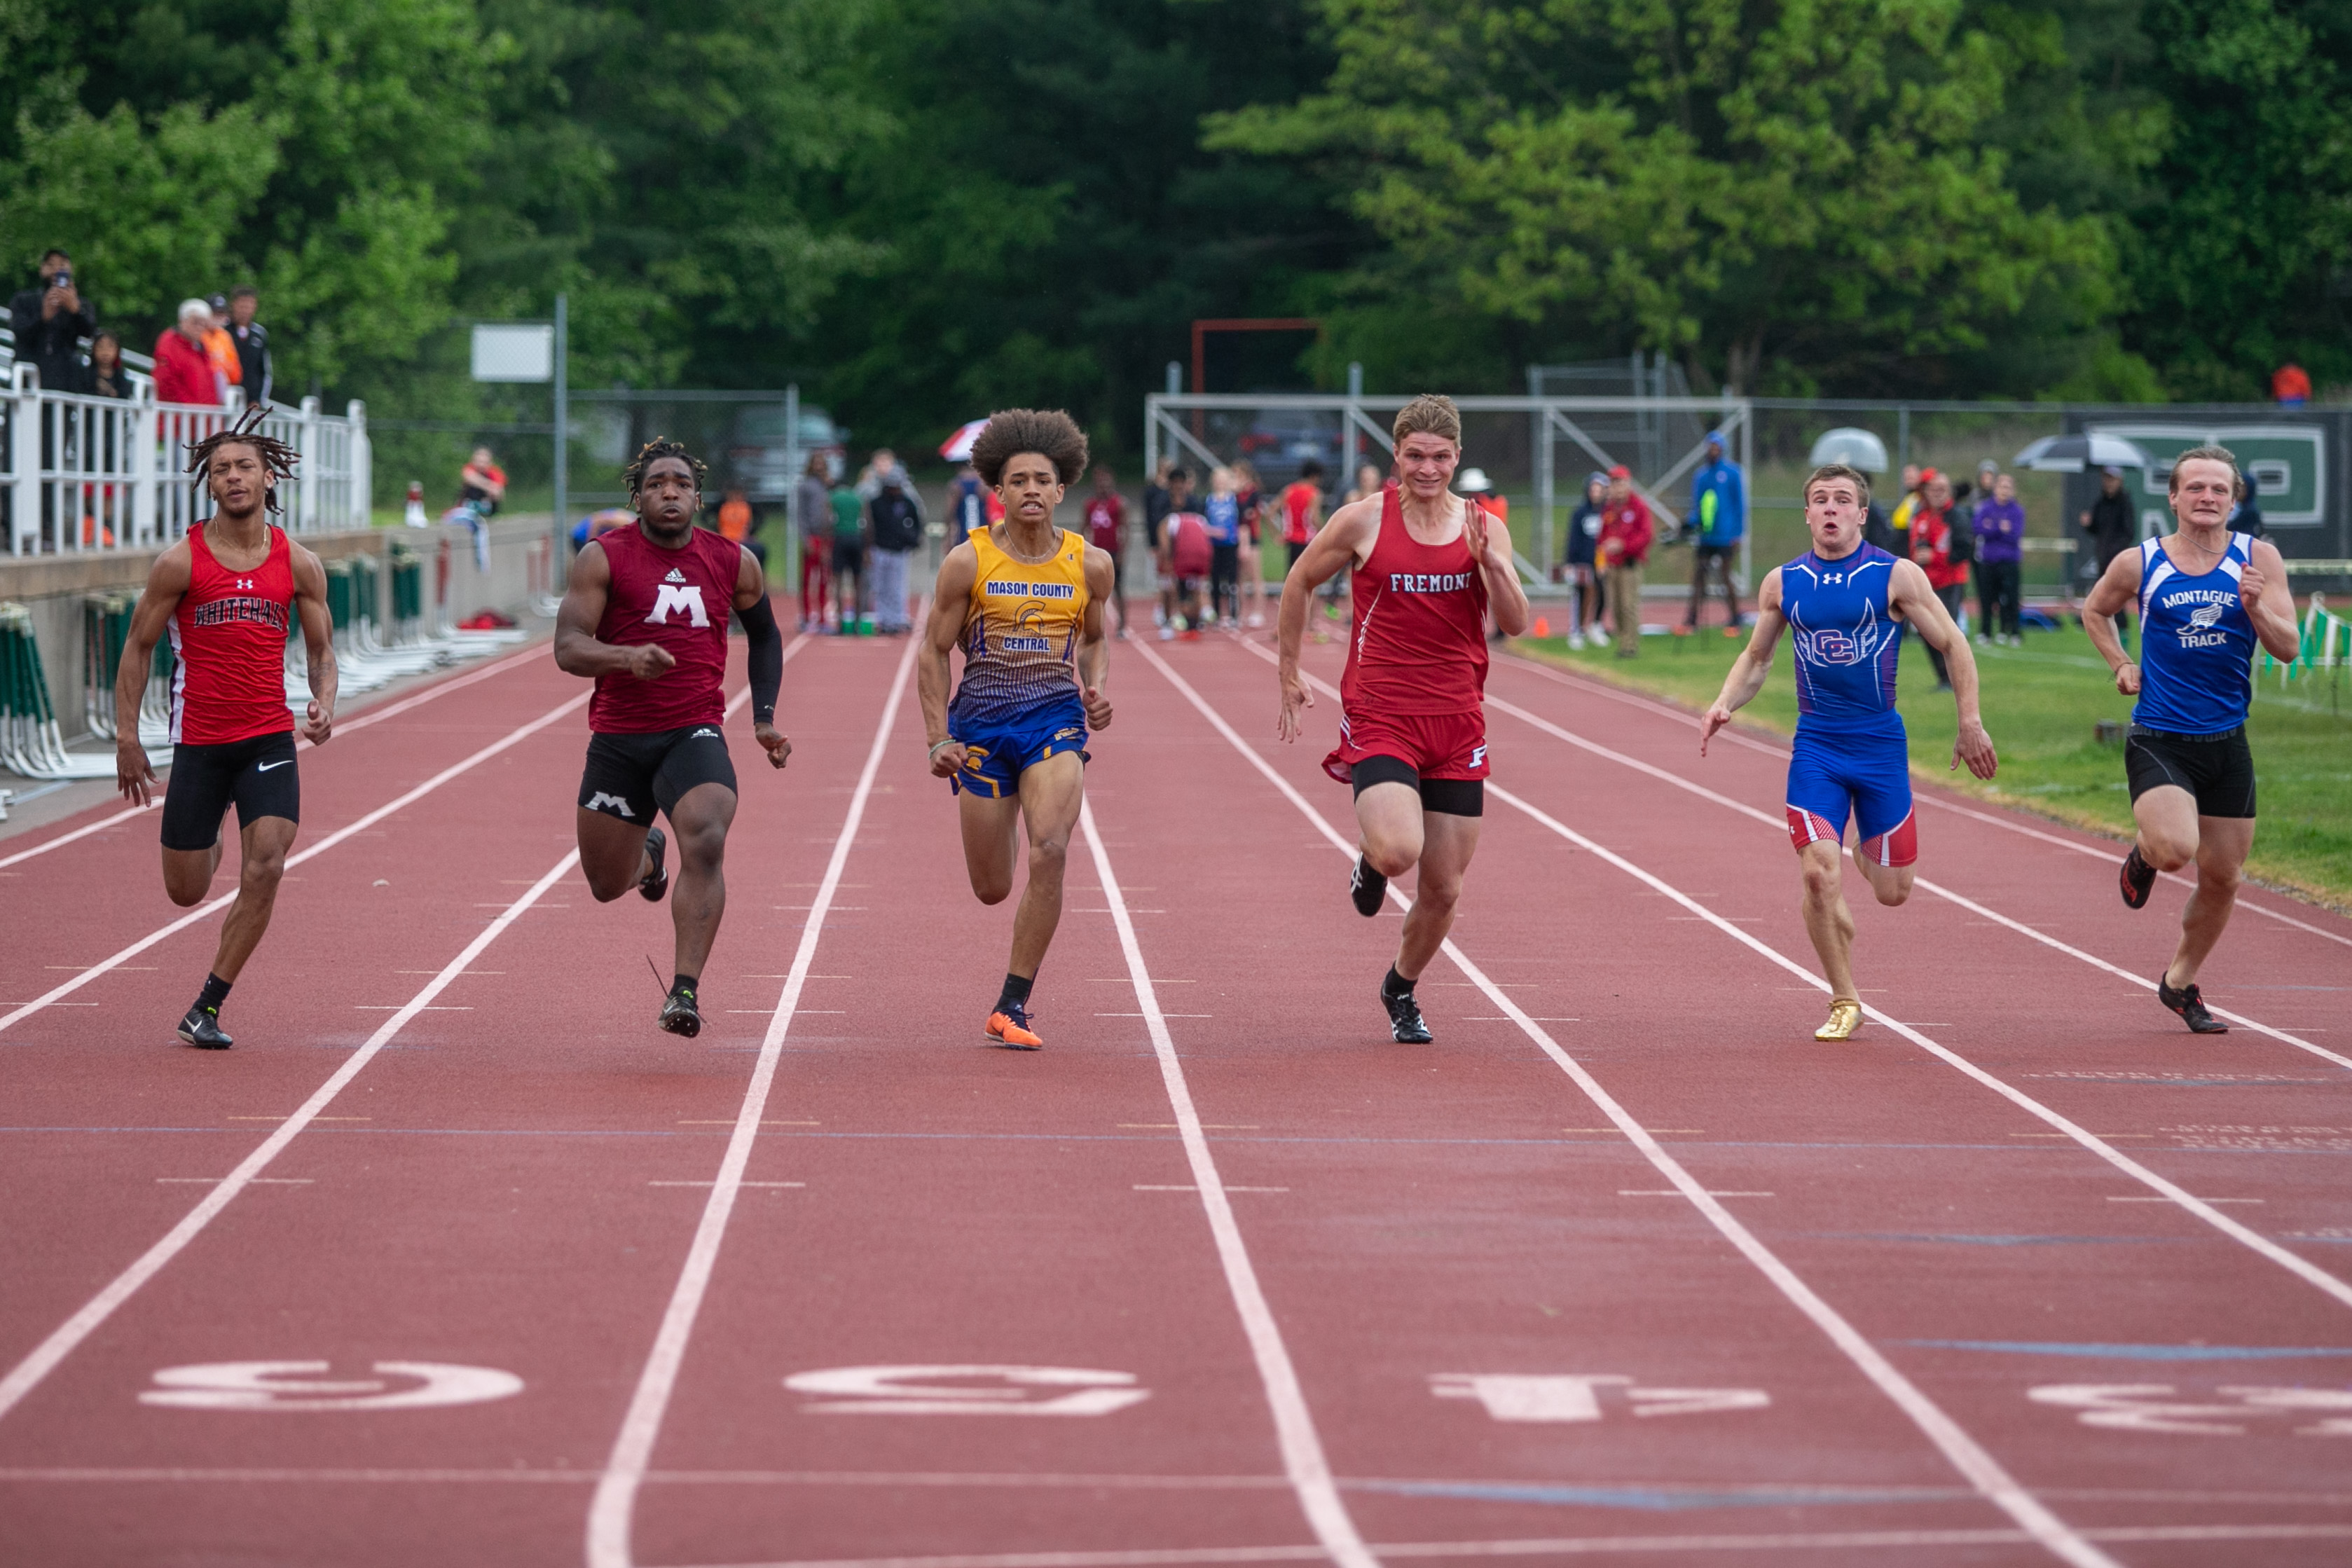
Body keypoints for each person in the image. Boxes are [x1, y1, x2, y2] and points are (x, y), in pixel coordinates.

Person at [1699, 463, 1997, 1042]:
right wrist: (1723, 702)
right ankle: (1844, 999)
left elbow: (1953, 642)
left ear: (1861, 514)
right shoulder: (1782, 583)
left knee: (1893, 892)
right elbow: (1757, 659)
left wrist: (1969, 723)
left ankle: (1862, 852)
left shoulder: (1896, 576)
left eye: (1842, 500)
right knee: (1817, 875)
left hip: (1881, 744)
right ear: (1807, 513)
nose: (1830, 509)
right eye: (1819, 499)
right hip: (1817, 745)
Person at [1275, 394, 1531, 1045]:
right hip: (1383, 711)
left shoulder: (1484, 527)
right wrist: (1288, 670)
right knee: (1397, 851)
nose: (1427, 469)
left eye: (1440, 457)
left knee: (1442, 890)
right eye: (1415, 456)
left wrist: (1493, 563)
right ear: (1396, 456)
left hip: (1457, 721)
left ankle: (1400, 987)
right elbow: (1299, 581)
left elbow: (1515, 623)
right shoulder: (1363, 521)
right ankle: (1368, 855)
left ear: (1457, 458)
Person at [111, 408, 338, 1049]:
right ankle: (208, 831)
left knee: (266, 864)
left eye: (244, 467)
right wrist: (127, 738)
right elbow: (137, 648)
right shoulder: (179, 562)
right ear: (208, 485)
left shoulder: (300, 564)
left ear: (269, 479)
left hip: (268, 737)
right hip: (200, 744)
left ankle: (207, 1005)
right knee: (186, 891)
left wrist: (323, 703)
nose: (233, 478)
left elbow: (322, 653)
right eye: (220, 470)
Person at [553, 439, 792, 1038]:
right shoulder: (602, 558)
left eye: (680, 484)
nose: (669, 493)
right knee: (607, 885)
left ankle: (683, 991)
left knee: (709, 833)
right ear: (637, 498)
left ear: (698, 497)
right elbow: (568, 647)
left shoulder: (733, 561)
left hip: (694, 728)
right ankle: (649, 857)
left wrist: (763, 717)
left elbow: (764, 636)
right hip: (618, 736)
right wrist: (626, 658)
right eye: (657, 484)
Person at [2082, 445, 2301, 1036]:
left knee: (2224, 878)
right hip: (2160, 737)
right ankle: (2146, 851)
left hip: (2227, 743)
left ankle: (2178, 982)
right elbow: (2094, 610)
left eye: (2218, 490)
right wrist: (2121, 663)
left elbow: (2288, 647)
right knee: (2176, 848)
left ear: (2234, 499)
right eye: (2195, 488)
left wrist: (2255, 608)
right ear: (2173, 497)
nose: (2206, 499)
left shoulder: (2259, 560)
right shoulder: (2140, 562)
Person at [919, 409, 1115, 1050]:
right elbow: (932, 653)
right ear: (996, 491)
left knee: (1052, 850)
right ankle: (993, 823)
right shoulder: (965, 562)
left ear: (1063, 490)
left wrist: (1095, 687)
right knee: (992, 887)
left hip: (1054, 722)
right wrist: (937, 739)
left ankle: (1013, 1002)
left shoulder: (1090, 564)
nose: (1031, 489)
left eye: (1043, 480)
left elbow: (1094, 640)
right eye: (1018, 480)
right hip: (980, 727)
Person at [1908, 472, 1972, 687]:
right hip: (1925, 582)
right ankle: (1944, 677)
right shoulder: (1921, 515)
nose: (1937, 494)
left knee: (1946, 630)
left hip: (1950, 580)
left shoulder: (1957, 516)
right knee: (1925, 631)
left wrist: (1935, 557)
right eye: (1933, 489)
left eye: (1942, 489)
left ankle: (1953, 678)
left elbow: (1963, 550)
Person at [9, 249, 97, 393]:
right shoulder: (23, 300)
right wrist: (43, 318)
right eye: (50, 265)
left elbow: (90, 333)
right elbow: (19, 331)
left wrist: (76, 311)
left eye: (62, 266)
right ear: (42, 269)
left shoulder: (82, 304)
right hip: (29, 376)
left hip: (66, 379)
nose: (56, 270)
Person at [1687, 430, 1747, 633]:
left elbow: (1739, 505)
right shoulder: (1701, 475)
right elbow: (1697, 505)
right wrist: (1691, 524)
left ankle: (1735, 617)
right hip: (1706, 535)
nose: (1713, 451)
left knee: (1725, 576)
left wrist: (1738, 533)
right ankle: (1692, 619)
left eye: (1716, 447)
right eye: (1710, 447)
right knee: (1699, 576)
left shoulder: (1732, 473)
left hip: (1725, 535)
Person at [1596, 466, 1653, 658]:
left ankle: (1630, 645)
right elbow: (1602, 536)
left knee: (1629, 605)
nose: (1617, 487)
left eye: (1620, 482)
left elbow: (1646, 536)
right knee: (1616, 606)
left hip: (1630, 563)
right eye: (1613, 483)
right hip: (1612, 565)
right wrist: (1601, 561)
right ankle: (1623, 640)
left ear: (1627, 483)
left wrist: (1623, 545)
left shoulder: (1638, 506)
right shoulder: (1610, 508)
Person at [2079, 465, 2138, 631]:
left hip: (2117, 560)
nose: (2108, 483)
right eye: (2106, 479)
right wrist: (2088, 524)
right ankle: (2107, 636)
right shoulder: (2101, 502)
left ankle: (2122, 637)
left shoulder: (2125, 502)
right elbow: (2095, 529)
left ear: (2120, 480)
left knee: (2117, 601)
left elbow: (2129, 533)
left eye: (2111, 479)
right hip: (2103, 558)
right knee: (2103, 601)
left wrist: (2115, 553)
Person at [866, 471, 923, 634]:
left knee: (897, 586)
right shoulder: (876, 503)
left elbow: (917, 521)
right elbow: (871, 526)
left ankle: (898, 618)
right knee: (880, 586)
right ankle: (882, 618)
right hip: (880, 549)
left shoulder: (906, 502)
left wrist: (913, 539)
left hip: (899, 550)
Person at [1972, 471, 2026, 646]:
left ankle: (2013, 631)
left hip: (2009, 561)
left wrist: (1992, 529)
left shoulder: (2017, 511)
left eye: (2008, 487)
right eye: (2002, 486)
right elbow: (1978, 529)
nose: (2005, 490)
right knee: (1987, 598)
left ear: (2013, 490)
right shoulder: (1986, 508)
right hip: (1988, 561)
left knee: (2010, 597)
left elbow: (2014, 535)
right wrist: (1999, 528)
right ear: (1995, 488)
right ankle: (1985, 632)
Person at [1084, 464, 1129, 638]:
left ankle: (1122, 625)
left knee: (1118, 588)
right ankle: (1090, 625)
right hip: (1096, 552)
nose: (1102, 485)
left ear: (1112, 482)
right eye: (1099, 481)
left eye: (1106, 481)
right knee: (1090, 590)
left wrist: (1123, 554)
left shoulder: (1119, 503)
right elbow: (1084, 528)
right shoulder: (1089, 504)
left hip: (1114, 551)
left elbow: (1125, 530)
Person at [1162, 486, 1212, 639]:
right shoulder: (1200, 519)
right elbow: (1206, 540)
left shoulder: (1170, 520)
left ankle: (1171, 623)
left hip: (1184, 556)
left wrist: (1168, 563)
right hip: (1203, 556)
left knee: (1176, 589)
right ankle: (1194, 625)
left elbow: (1165, 546)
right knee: (1196, 589)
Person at [152, 300, 220, 406]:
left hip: (201, 416)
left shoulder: (201, 348)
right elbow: (166, 381)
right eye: (195, 322)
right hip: (179, 417)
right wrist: (190, 408)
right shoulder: (169, 344)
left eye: (204, 323)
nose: (200, 327)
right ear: (182, 320)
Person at [1565, 471, 1605, 649]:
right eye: (1593, 489)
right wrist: (1570, 562)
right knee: (1580, 595)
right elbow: (1573, 539)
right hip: (1583, 561)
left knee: (1603, 594)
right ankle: (1577, 630)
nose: (1596, 493)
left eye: (1599, 489)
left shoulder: (1608, 513)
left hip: (1601, 562)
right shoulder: (1580, 513)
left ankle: (1595, 625)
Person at [795, 453, 834, 633]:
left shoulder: (829, 486)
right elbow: (801, 515)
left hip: (828, 538)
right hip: (812, 537)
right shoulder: (805, 486)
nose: (819, 467)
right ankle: (805, 616)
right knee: (807, 578)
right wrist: (805, 538)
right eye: (815, 464)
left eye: (821, 464)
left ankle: (823, 618)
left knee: (824, 579)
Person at [1157, 467, 1196, 632]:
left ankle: (1192, 621)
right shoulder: (1161, 503)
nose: (1178, 486)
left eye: (1181, 483)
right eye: (1175, 483)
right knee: (1168, 588)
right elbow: (1158, 526)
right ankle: (1167, 620)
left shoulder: (1193, 503)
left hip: (1188, 552)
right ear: (1170, 484)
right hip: (1169, 551)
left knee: (1191, 588)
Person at [1203, 467, 1243, 626]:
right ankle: (1217, 614)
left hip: (1231, 544)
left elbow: (1241, 523)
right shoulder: (1208, 500)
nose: (1220, 483)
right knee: (1215, 580)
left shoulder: (1234, 500)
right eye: (1217, 479)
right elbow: (1202, 523)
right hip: (1214, 545)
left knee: (1232, 580)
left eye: (1223, 479)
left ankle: (1234, 615)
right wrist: (1212, 531)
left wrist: (1242, 543)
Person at [829, 472, 867, 633]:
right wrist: (866, 548)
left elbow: (827, 520)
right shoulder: (858, 497)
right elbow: (867, 522)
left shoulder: (832, 497)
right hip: (856, 539)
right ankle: (857, 623)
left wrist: (826, 543)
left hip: (840, 538)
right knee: (857, 583)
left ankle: (839, 624)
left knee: (838, 582)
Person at [1235, 460, 1268, 628]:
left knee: (1255, 576)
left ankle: (1258, 612)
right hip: (1236, 538)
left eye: (1238, 475)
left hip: (1252, 537)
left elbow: (1253, 513)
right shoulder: (1234, 494)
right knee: (1239, 577)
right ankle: (1240, 612)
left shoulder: (1254, 492)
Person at [226, 287, 272, 406]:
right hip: (227, 398)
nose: (245, 310)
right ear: (233, 305)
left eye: (249, 306)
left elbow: (264, 370)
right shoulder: (222, 332)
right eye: (242, 306)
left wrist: (258, 399)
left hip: (251, 402)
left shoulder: (260, 334)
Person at [202, 296, 243, 404]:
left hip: (223, 394)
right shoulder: (198, 335)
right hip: (202, 391)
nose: (219, 317)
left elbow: (236, 373)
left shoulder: (225, 337)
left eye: (222, 313)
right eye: (215, 312)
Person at [83, 329, 132, 399]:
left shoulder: (120, 375)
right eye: (100, 347)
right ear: (94, 350)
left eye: (110, 347)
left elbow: (124, 395)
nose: (105, 352)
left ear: (117, 350)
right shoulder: (87, 374)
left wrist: (109, 390)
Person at [1888, 462, 1923, 557]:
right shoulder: (1910, 497)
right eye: (1906, 477)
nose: (1908, 480)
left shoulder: (1921, 498)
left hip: (1908, 543)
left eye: (1911, 477)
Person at [460, 447, 508, 515]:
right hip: (469, 501)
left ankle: (486, 510)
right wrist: (490, 486)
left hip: (487, 503)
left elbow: (500, 492)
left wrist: (492, 491)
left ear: (490, 463)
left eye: (484, 462)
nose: (481, 465)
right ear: (473, 461)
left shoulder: (495, 472)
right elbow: (469, 477)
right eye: (479, 462)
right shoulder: (469, 468)